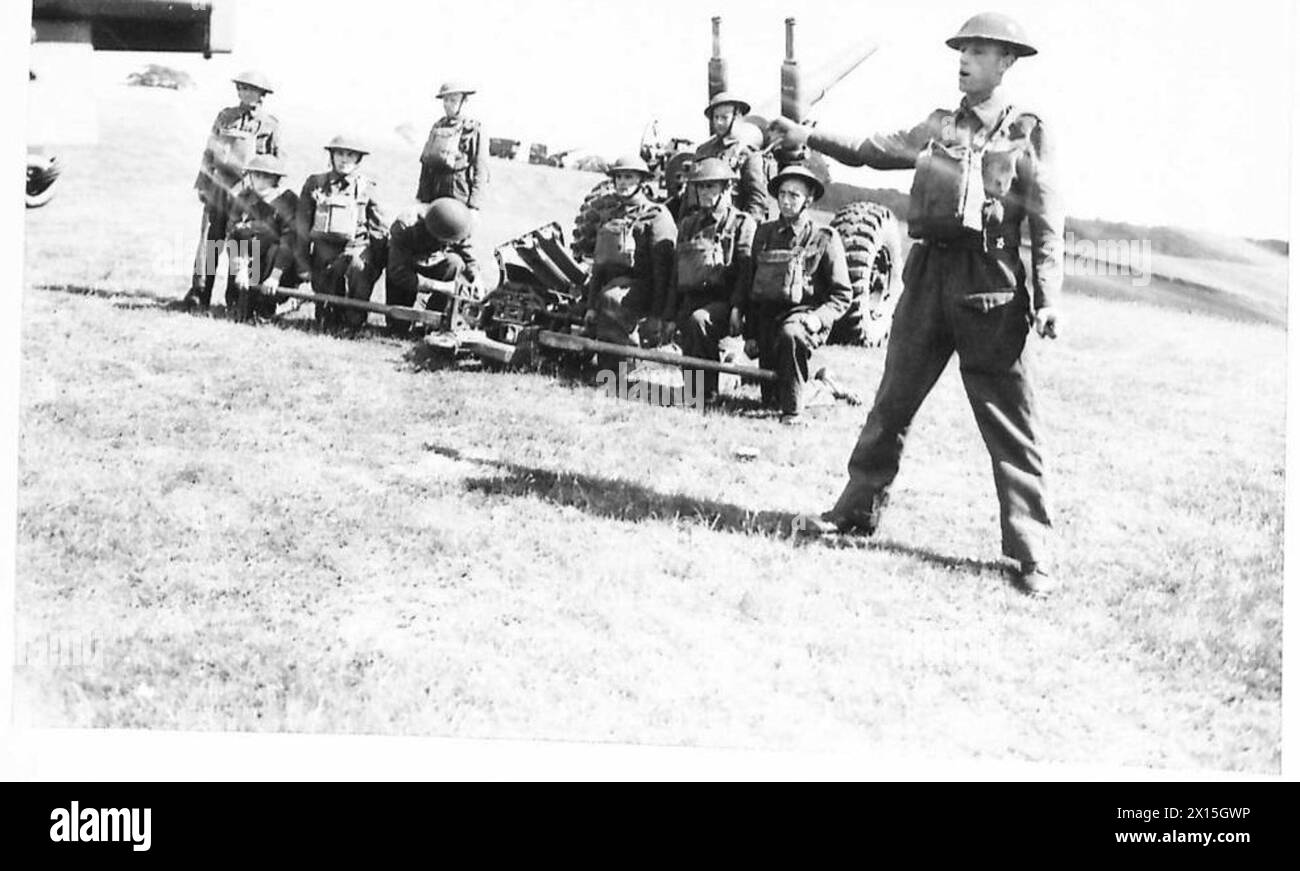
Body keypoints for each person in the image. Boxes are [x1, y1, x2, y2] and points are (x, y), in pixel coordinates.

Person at [768, 12, 1063, 596]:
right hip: (927, 277)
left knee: (1010, 423)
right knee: (891, 403)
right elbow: (874, 149)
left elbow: (1047, 220)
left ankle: (1035, 554)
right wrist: (811, 136)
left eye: (978, 52)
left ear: (1006, 63)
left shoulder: (1025, 131)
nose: (964, 59)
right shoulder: (938, 125)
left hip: (991, 288)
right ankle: (853, 514)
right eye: (962, 50)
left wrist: (1048, 297)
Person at [736, 165, 852, 424]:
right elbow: (754, 285)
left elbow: (843, 295)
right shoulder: (764, 233)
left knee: (791, 339)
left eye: (794, 196)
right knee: (772, 397)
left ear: (808, 200)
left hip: (803, 318)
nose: (786, 201)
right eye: (783, 194)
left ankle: (793, 414)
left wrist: (819, 318)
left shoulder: (824, 237)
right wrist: (751, 333)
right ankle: (824, 385)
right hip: (769, 318)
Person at [663, 158, 756, 403]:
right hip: (692, 296)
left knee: (699, 321)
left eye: (711, 186)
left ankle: (706, 394)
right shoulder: (687, 225)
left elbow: (746, 272)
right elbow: (676, 274)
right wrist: (670, 316)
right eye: (701, 187)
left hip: (723, 301)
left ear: (726, 189)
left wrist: (737, 308)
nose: (705, 192)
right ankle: (692, 391)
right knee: (687, 322)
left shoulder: (741, 224)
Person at [186, 70, 280, 309]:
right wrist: (203, 184)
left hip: (248, 192)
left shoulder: (270, 125)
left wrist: (267, 195)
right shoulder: (225, 116)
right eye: (241, 88)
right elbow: (209, 150)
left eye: (250, 89)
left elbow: (275, 161)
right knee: (210, 239)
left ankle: (237, 297)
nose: (244, 93)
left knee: (243, 241)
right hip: (219, 187)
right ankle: (199, 293)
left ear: (262, 95)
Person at [583, 155, 676, 359]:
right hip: (611, 284)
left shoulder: (657, 216)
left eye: (629, 177)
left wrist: (657, 315)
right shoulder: (611, 215)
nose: (622, 182)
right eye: (619, 177)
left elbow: (664, 272)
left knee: (611, 299)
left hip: (642, 288)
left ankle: (616, 371)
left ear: (641, 181)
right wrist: (590, 306)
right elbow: (599, 265)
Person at [296, 134, 389, 331]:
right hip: (324, 252)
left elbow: (379, 228)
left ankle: (355, 318)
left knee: (358, 268)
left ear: (358, 159)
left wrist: (376, 267)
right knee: (326, 320)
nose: (344, 159)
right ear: (331, 156)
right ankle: (329, 314)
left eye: (350, 155)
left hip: (357, 249)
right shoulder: (315, 183)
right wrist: (303, 263)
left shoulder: (367, 187)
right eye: (339, 154)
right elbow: (302, 226)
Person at [386, 198, 491, 336]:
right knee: (397, 328)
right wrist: (443, 287)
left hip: (435, 260)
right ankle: (399, 325)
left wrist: (476, 277)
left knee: (455, 263)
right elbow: (398, 273)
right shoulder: (405, 225)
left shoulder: (459, 223)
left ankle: (433, 323)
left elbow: (466, 250)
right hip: (408, 265)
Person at [225, 154, 304, 320]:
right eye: (256, 175)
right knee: (240, 311)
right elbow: (232, 236)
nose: (260, 181)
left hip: (279, 264)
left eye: (266, 176)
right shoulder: (243, 199)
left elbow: (289, 241)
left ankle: (275, 303)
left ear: (275, 179)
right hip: (248, 259)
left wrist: (275, 276)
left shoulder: (288, 200)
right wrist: (240, 270)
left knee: (274, 249)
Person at [693, 92, 769, 221]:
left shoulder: (747, 154)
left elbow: (757, 200)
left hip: (731, 226)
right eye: (715, 117)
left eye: (724, 117)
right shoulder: (703, 151)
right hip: (701, 223)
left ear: (737, 117)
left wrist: (746, 228)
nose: (719, 122)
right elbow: (691, 194)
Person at [416, 81, 489, 209]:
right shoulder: (437, 126)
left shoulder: (473, 129)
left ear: (464, 101)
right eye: (445, 100)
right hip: (432, 196)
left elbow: (481, 170)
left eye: (453, 100)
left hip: (458, 199)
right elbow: (425, 166)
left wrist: (474, 206)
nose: (447, 105)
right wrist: (421, 198)